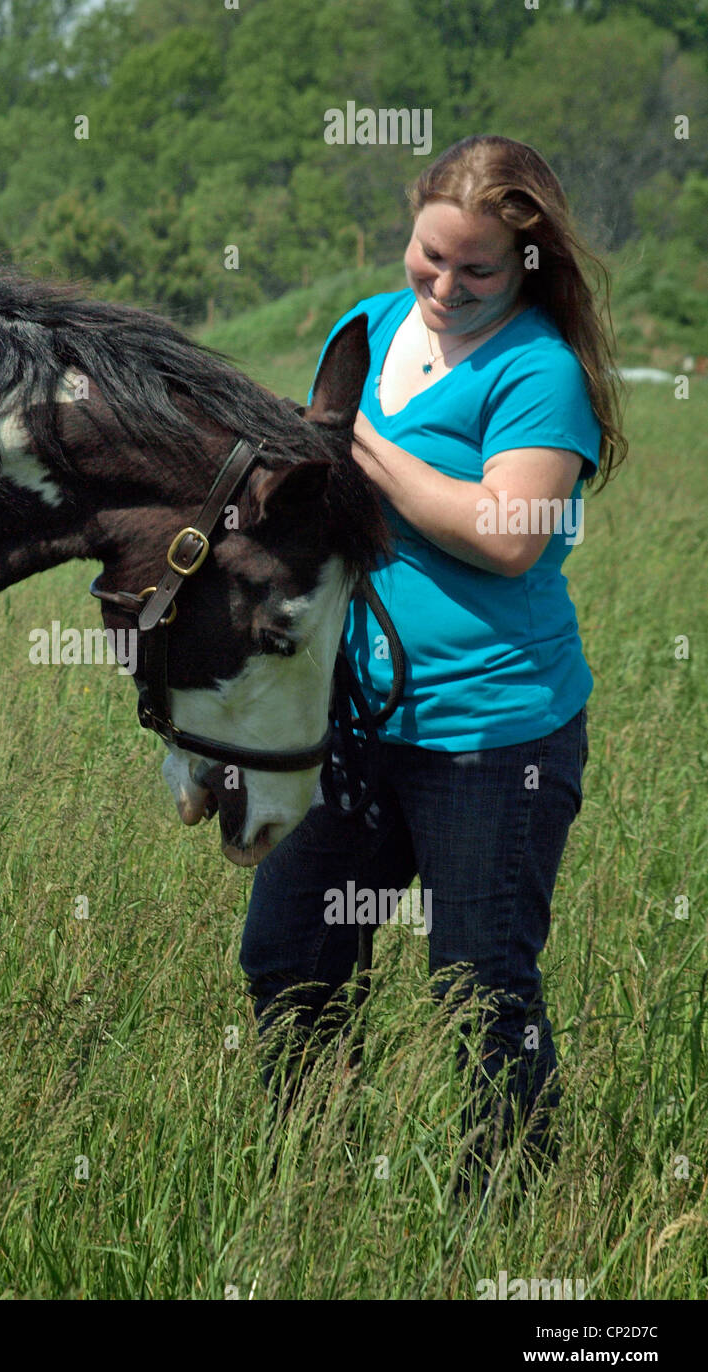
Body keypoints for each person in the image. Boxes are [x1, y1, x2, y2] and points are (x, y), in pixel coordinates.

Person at [241, 134, 626, 1194]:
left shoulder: (540, 371)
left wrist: (359, 445)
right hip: (350, 725)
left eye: (477, 270)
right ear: (405, 230)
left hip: (493, 740)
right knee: (289, 962)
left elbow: (509, 530)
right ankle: (302, 1192)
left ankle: (501, 1222)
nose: (446, 286)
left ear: (526, 265)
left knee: (480, 991)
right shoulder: (361, 328)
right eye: (428, 257)